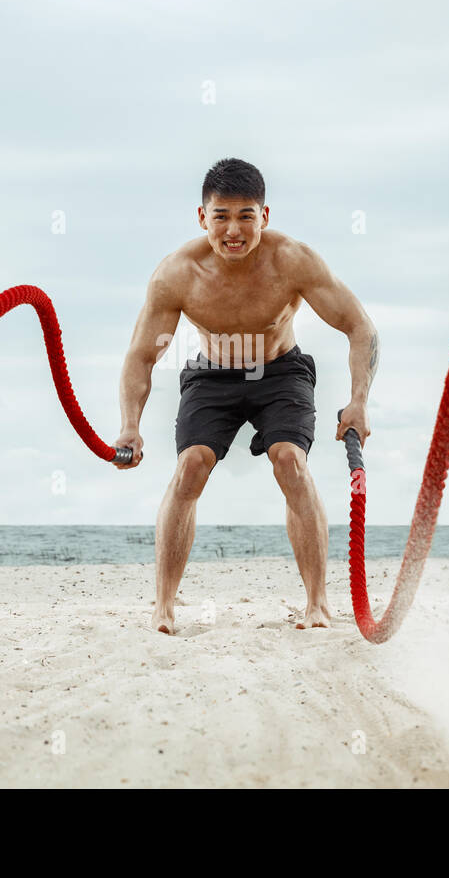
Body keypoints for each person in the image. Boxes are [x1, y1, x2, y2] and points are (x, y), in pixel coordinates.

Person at [113, 158, 378, 634]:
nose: (233, 230)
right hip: (212, 375)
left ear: (265, 216)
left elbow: (358, 326)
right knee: (190, 466)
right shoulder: (177, 274)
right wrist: (130, 425)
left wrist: (359, 400)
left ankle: (318, 603)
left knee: (290, 462)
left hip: (281, 371)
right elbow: (140, 357)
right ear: (202, 217)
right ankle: (163, 608)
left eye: (245, 216)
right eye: (221, 216)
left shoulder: (293, 260)